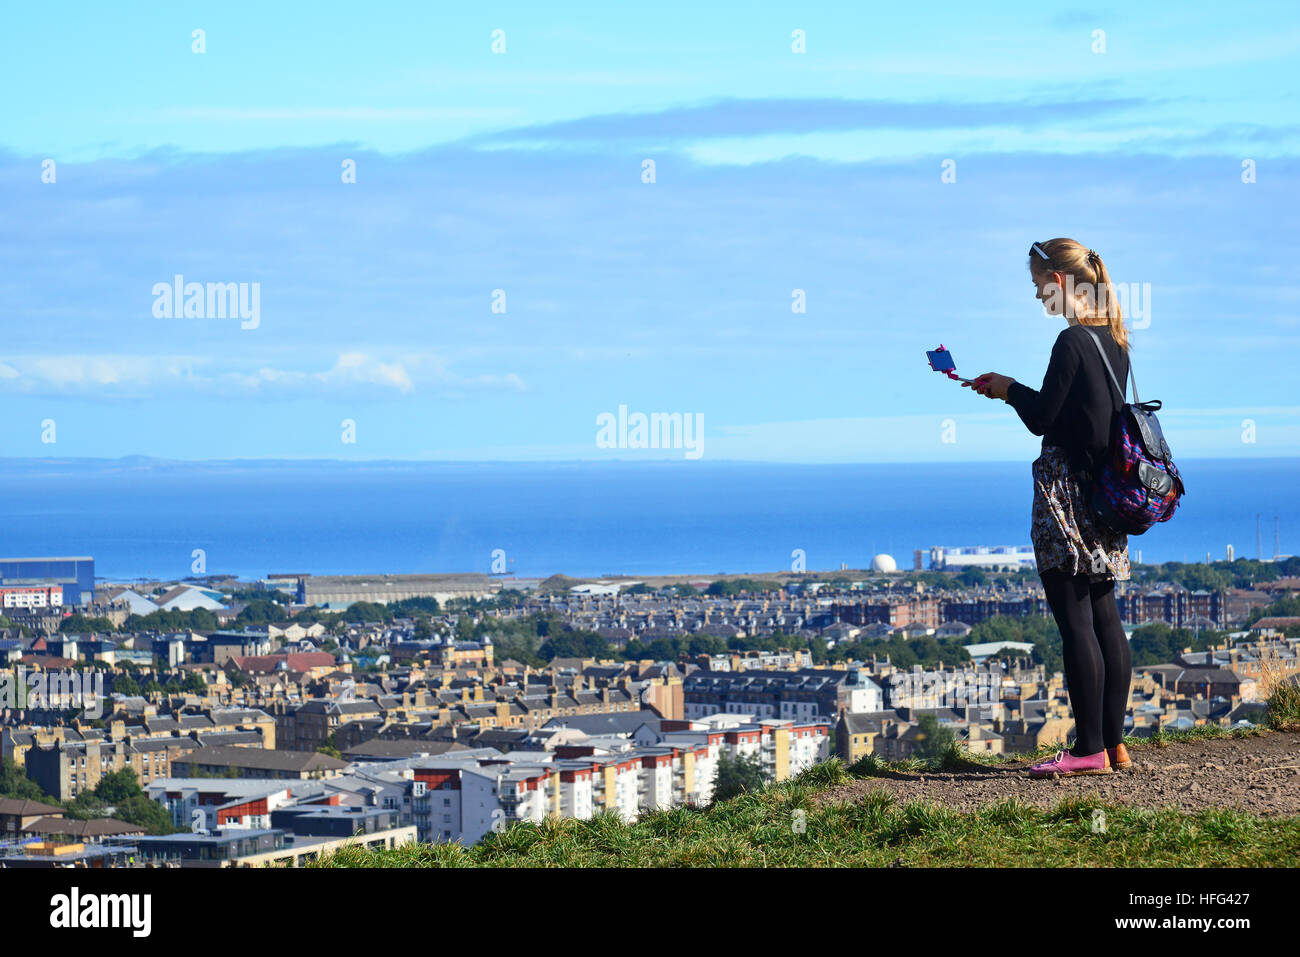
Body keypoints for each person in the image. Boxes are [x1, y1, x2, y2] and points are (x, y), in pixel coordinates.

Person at [965, 238, 1133, 777]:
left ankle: (1086, 751)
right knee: (1105, 617)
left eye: (1039, 281)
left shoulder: (1072, 342)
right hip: (1105, 496)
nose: (1036, 292)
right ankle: (1113, 745)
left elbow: (1043, 419)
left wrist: (1008, 388)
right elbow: (1086, 419)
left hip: (1064, 495)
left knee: (1075, 623)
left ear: (1061, 281)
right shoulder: (1115, 343)